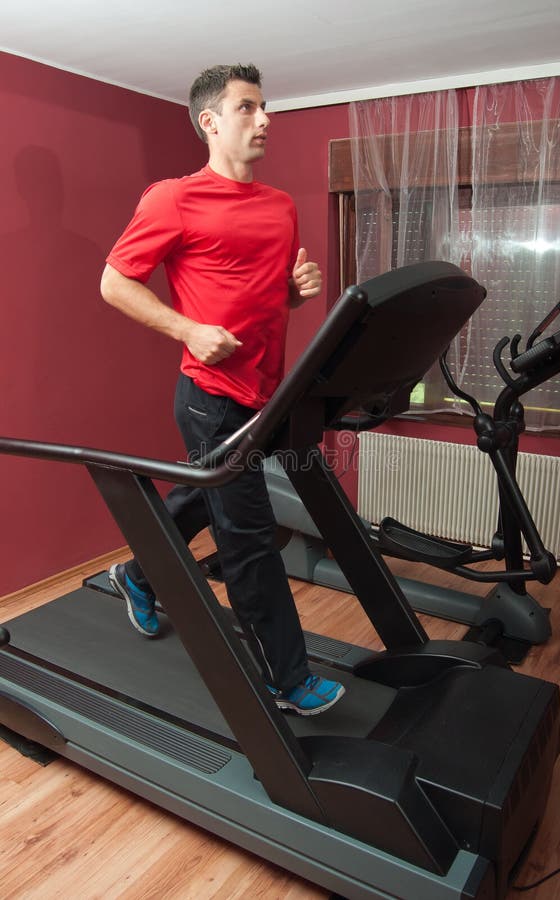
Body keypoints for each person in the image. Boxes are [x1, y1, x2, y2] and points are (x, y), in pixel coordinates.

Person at [100, 63, 345, 716]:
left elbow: (264, 301)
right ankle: (286, 681)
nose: (265, 119)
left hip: (265, 395)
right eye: (248, 108)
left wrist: (293, 294)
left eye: (266, 107)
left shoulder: (279, 206)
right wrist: (188, 329)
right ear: (211, 121)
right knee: (249, 537)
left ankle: (137, 573)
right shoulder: (173, 199)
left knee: (208, 500)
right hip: (208, 395)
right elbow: (115, 283)